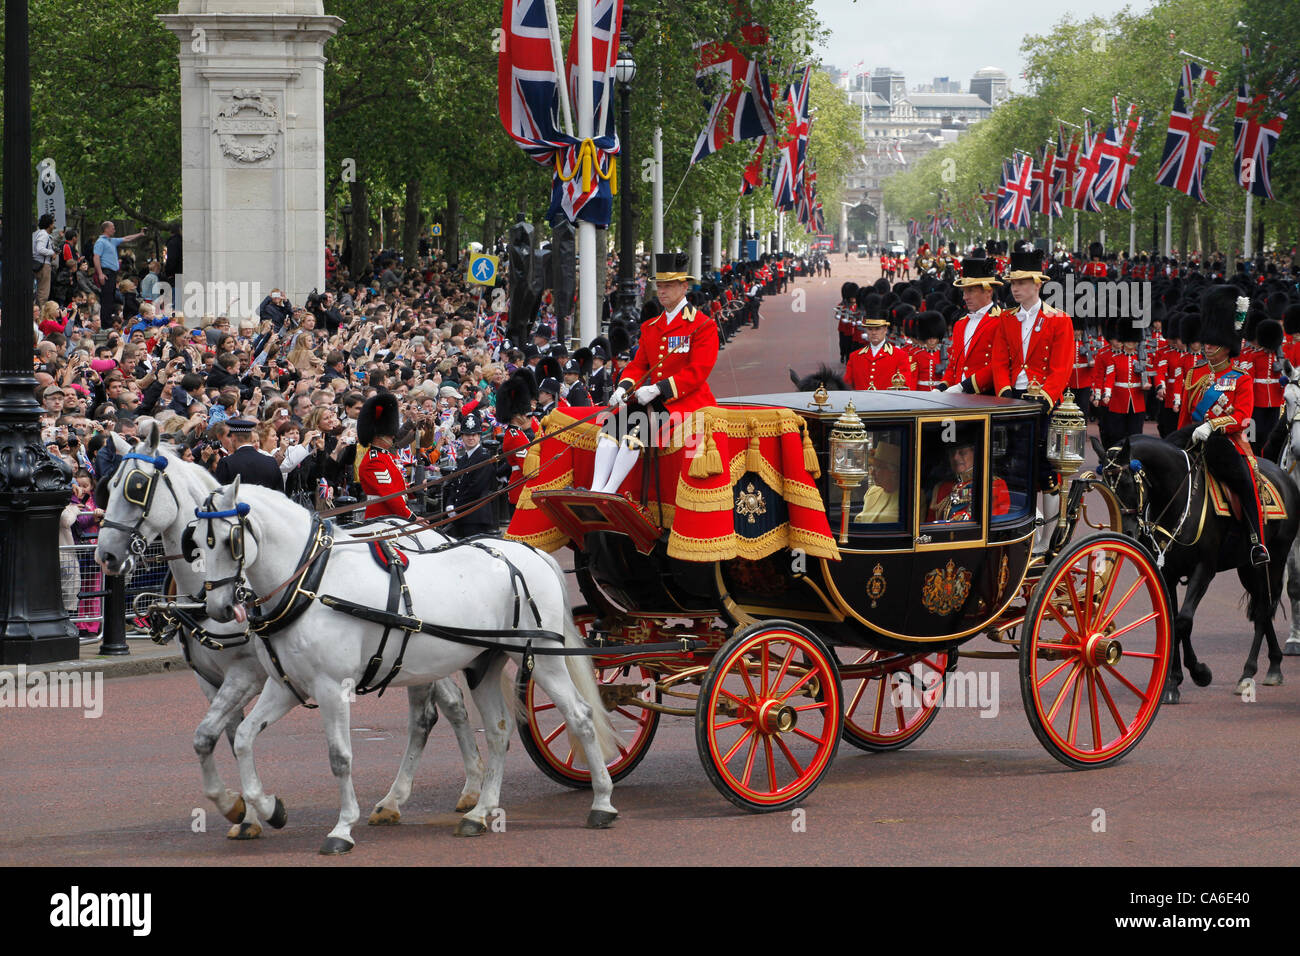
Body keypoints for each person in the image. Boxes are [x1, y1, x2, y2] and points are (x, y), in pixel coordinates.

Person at [591, 251, 720, 495]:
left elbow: (698, 371)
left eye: (668, 286)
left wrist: (658, 389)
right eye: (659, 286)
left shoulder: (702, 325)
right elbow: (639, 365)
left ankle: (609, 490)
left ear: (684, 287)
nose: (662, 291)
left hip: (684, 401)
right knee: (610, 431)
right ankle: (596, 490)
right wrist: (623, 387)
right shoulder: (650, 327)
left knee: (635, 432)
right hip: (647, 397)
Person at [1170, 285, 1268, 566]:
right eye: (1207, 340)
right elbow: (1185, 419)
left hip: (1227, 444)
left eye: (1214, 341)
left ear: (1228, 344)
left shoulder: (1241, 378)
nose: (1208, 345)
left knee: (1246, 483)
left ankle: (1256, 542)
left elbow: (1242, 417)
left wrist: (1213, 426)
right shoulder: (1194, 373)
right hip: (1192, 441)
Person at [942, 252, 1010, 395]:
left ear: (988, 292)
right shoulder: (960, 324)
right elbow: (953, 364)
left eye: (971, 291)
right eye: (964, 292)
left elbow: (997, 365)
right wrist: (941, 387)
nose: (965, 297)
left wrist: (964, 387)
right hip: (956, 398)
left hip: (985, 397)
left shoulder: (1002, 320)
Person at [355, 392, 418, 521]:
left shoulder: (387, 456)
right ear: (379, 437)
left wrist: (415, 489)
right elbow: (390, 496)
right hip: (382, 520)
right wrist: (411, 518)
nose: (393, 437)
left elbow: (398, 486)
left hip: (394, 517)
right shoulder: (374, 461)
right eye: (390, 435)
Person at [926, 435, 1010, 522]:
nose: (955, 457)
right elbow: (931, 523)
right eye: (952, 453)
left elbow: (994, 524)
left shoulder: (993, 484)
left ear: (975, 454)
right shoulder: (942, 487)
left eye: (962, 452)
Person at [845, 292, 915, 389]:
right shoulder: (854, 357)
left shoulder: (900, 356)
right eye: (870, 329)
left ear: (885, 329)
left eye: (877, 329)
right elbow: (847, 386)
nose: (873, 333)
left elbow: (905, 387)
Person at [445, 411, 499, 536]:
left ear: (479, 436)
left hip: (476, 518)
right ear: (462, 437)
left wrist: (457, 507)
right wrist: (450, 504)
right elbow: (455, 484)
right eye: (467, 435)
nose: (471, 438)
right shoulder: (463, 459)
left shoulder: (484, 458)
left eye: (474, 434)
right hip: (463, 517)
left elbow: (475, 488)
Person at [93, 220, 147, 325]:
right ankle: (105, 324)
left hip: (113, 273)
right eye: (112, 227)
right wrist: (100, 274)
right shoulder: (100, 242)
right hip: (106, 272)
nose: (114, 229)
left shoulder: (112, 241)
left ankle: (109, 321)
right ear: (106, 229)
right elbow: (96, 257)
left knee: (111, 298)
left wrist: (140, 234)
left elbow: (127, 238)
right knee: (106, 298)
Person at [215, 418, 285, 492]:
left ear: (233, 438)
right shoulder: (271, 462)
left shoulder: (226, 463)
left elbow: (220, 496)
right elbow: (280, 496)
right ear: (251, 437)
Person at [853, 440, 902, 523]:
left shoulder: (911, 497)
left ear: (893, 472)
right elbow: (860, 519)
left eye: (878, 468)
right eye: (872, 467)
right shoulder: (872, 491)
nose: (872, 472)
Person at [32, 213, 57, 306]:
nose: (54, 225)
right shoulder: (44, 234)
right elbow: (40, 249)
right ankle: (40, 317)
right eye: (53, 223)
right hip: (43, 266)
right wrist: (52, 252)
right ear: (49, 224)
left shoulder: (35, 233)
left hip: (36, 264)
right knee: (43, 293)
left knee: (38, 292)